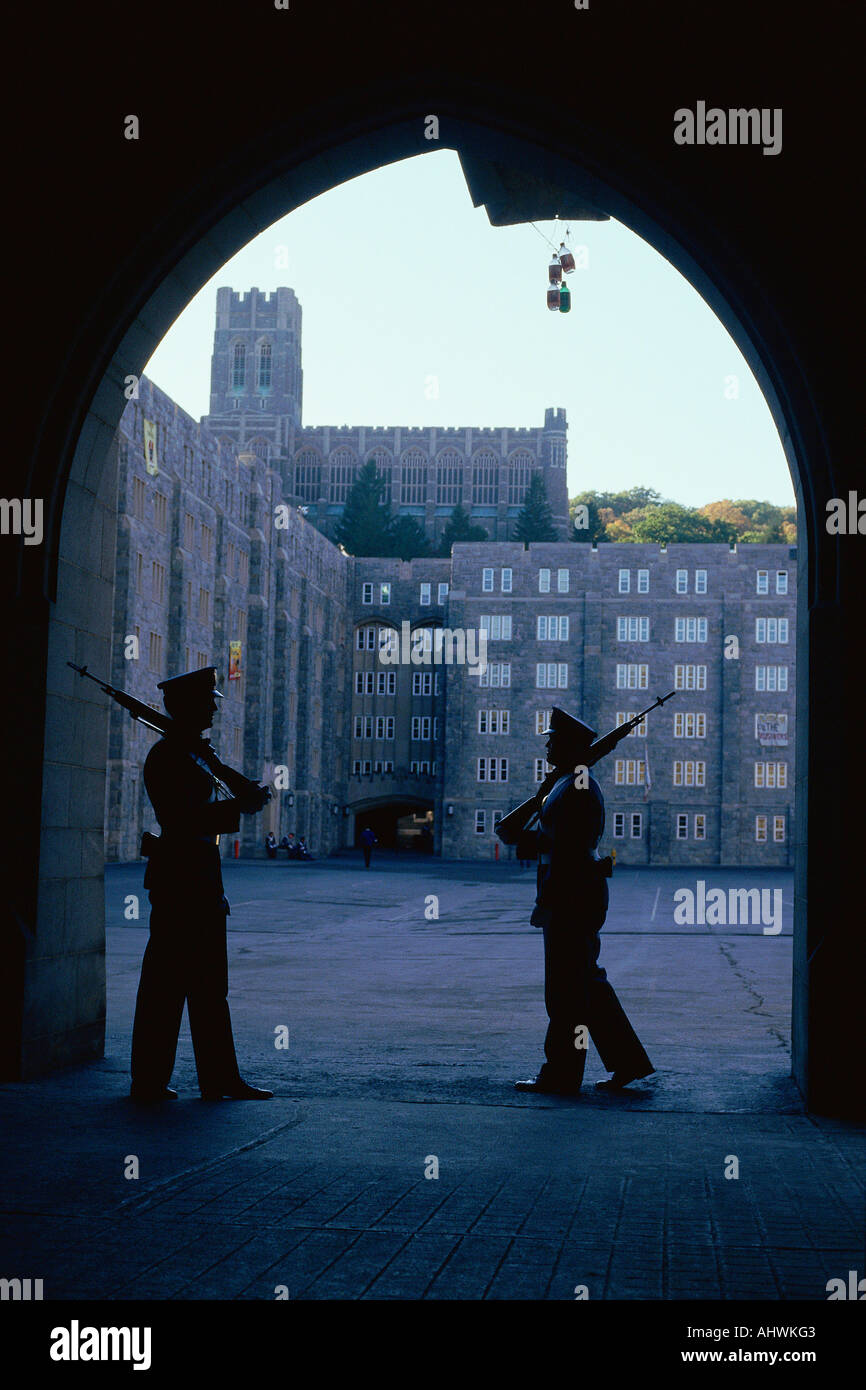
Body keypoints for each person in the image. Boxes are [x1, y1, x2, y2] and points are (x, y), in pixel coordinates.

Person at [129, 666, 273, 1103]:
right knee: (166, 986)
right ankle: (149, 1080)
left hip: (201, 880)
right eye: (207, 700)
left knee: (211, 988)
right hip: (180, 883)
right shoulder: (170, 757)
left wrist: (238, 794)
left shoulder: (190, 753)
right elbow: (180, 819)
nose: (214, 705)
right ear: (187, 706)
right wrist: (239, 808)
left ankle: (219, 1078)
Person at [514, 707, 654, 1096]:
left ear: (572, 747)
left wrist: (548, 896)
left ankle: (562, 1072)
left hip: (571, 895)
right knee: (583, 987)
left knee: (567, 991)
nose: (547, 744)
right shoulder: (566, 782)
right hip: (571, 893)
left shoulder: (576, 785)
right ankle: (623, 1063)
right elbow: (560, 839)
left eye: (553, 739)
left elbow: (572, 847)